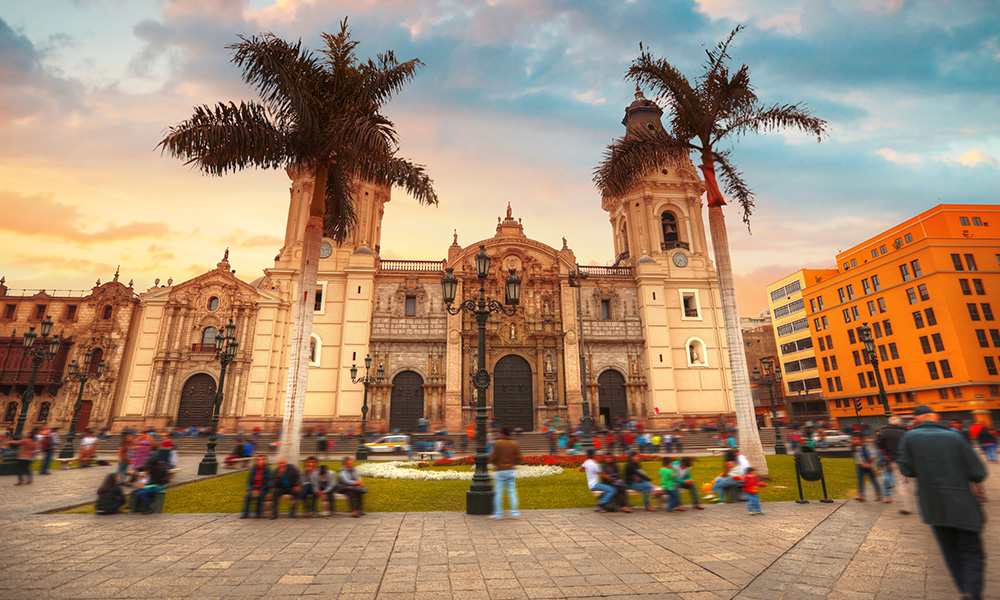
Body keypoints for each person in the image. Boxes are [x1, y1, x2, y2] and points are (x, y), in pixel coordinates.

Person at [897, 406, 987, 600]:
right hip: (962, 502)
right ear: (936, 417)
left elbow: (906, 469)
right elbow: (978, 472)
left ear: (916, 420)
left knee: (950, 551)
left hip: (933, 504)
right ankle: (972, 591)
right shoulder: (954, 437)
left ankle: (964, 589)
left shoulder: (909, 438)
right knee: (971, 549)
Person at [875, 416, 915, 514]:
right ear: (898, 423)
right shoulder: (904, 432)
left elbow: (879, 446)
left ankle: (906, 507)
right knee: (912, 482)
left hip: (894, 460)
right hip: (908, 460)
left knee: (901, 483)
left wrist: (886, 456)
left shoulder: (883, 433)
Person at [489, 426, 522, 520]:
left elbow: (493, 457)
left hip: (500, 470)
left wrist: (496, 464)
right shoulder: (514, 443)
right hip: (510, 470)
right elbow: (519, 457)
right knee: (512, 491)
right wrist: (513, 464)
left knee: (499, 492)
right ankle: (514, 513)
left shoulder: (498, 443)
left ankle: (498, 514)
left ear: (502, 433)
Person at [852, 434, 882, 501]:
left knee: (873, 480)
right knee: (860, 481)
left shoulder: (865, 447)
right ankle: (861, 495)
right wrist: (860, 463)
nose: (856, 441)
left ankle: (878, 494)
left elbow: (871, 457)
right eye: (854, 439)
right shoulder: (854, 448)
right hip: (860, 466)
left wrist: (872, 466)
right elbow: (857, 458)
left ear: (861, 440)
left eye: (858, 439)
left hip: (868, 466)